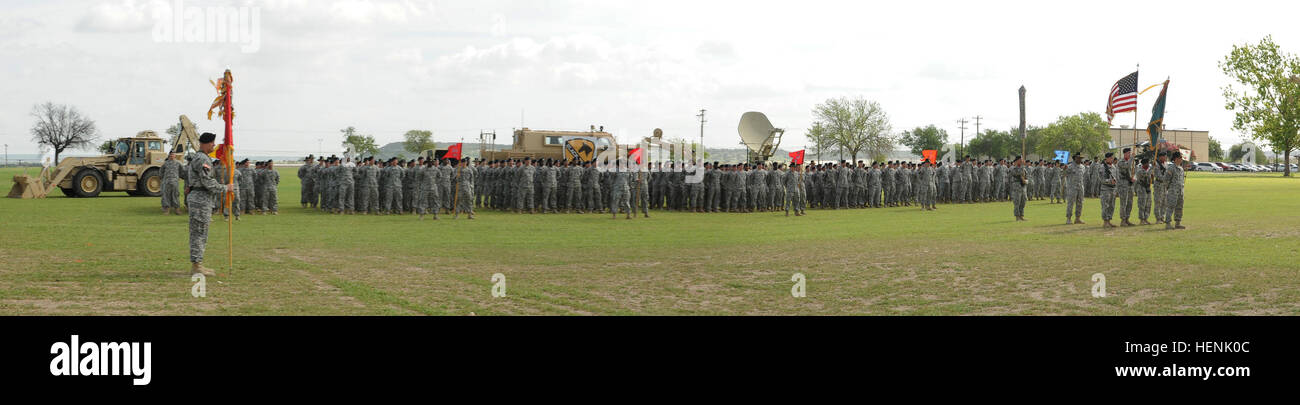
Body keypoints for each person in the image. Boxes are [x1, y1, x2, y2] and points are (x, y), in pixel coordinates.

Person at [185, 133, 233, 276]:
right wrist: (225, 188)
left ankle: (198, 263)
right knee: (199, 232)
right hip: (200, 198)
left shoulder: (202, 158)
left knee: (201, 232)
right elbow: (207, 182)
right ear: (205, 143)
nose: (214, 145)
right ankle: (196, 266)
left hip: (202, 198)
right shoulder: (202, 159)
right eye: (212, 143)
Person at [1164, 151, 1186, 230]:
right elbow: (1166, 180)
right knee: (1170, 207)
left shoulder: (1181, 169)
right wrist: (1168, 189)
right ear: (1176, 159)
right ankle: (1168, 223)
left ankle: (1178, 223)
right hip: (1173, 191)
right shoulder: (1171, 168)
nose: (1181, 159)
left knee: (1179, 207)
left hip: (1180, 191)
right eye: (1180, 158)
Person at [1099, 153, 1119, 228]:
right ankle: (1105, 221)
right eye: (1110, 158)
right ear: (1106, 158)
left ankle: (1109, 221)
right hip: (1105, 189)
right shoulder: (1102, 167)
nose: (1112, 159)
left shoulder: (1114, 167)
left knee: (1112, 206)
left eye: (1112, 158)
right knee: (1105, 205)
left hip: (1113, 189)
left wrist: (1115, 183)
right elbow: (1101, 179)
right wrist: (1110, 181)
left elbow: (1116, 177)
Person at [1117, 148, 1137, 227]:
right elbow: (1127, 166)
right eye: (1128, 153)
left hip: (1130, 184)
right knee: (1123, 203)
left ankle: (1127, 219)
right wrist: (1132, 158)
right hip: (1123, 184)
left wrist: (1134, 178)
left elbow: (1134, 171)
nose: (1130, 154)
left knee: (1130, 202)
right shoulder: (1121, 162)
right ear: (1124, 153)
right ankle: (1123, 220)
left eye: (1130, 153)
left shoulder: (1131, 162)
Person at [1065, 153, 1086, 224]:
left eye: (1081, 158)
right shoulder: (1069, 166)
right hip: (1072, 187)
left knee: (1080, 203)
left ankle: (1077, 218)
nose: (1080, 159)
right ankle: (1068, 218)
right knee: (1071, 203)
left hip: (1080, 187)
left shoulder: (1083, 167)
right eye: (1078, 158)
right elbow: (1063, 174)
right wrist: (1064, 169)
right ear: (1075, 158)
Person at [1010, 156, 1028, 221]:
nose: (1022, 161)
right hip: (1017, 186)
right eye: (1021, 159)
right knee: (1017, 202)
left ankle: (1021, 215)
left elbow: (1026, 175)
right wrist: (1022, 167)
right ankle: (1017, 216)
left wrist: (1026, 180)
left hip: (1023, 186)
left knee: (1023, 201)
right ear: (1017, 160)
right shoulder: (1013, 168)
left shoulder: (1023, 168)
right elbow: (1017, 173)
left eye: (1022, 159)